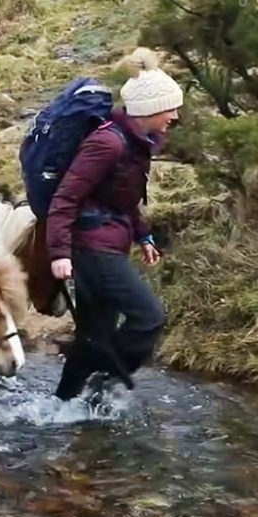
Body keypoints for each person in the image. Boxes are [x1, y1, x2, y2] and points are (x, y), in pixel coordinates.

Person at [45, 47, 181, 401]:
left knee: (94, 336)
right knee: (148, 318)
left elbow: (122, 200)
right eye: (171, 108)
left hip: (109, 243)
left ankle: (64, 405)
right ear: (149, 110)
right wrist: (59, 253)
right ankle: (103, 385)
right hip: (92, 251)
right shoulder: (106, 144)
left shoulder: (137, 145)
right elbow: (65, 197)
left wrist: (144, 235)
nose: (175, 115)